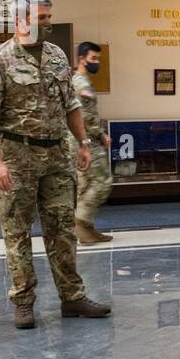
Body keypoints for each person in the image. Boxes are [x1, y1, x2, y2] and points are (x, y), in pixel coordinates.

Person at [0, 0, 111, 329]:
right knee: (17, 231)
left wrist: (82, 142)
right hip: (16, 158)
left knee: (63, 228)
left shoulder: (57, 56)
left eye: (49, 17)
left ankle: (72, 298)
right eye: (42, 18)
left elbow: (71, 105)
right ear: (21, 21)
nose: (49, 24)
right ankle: (23, 301)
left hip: (56, 157)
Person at [68, 41, 113, 245]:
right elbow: (85, 117)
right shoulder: (81, 84)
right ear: (81, 59)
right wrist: (101, 135)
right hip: (86, 141)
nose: (96, 63)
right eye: (93, 59)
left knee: (85, 185)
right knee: (103, 182)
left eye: (98, 59)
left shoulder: (80, 81)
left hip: (80, 140)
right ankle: (81, 222)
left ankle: (86, 229)